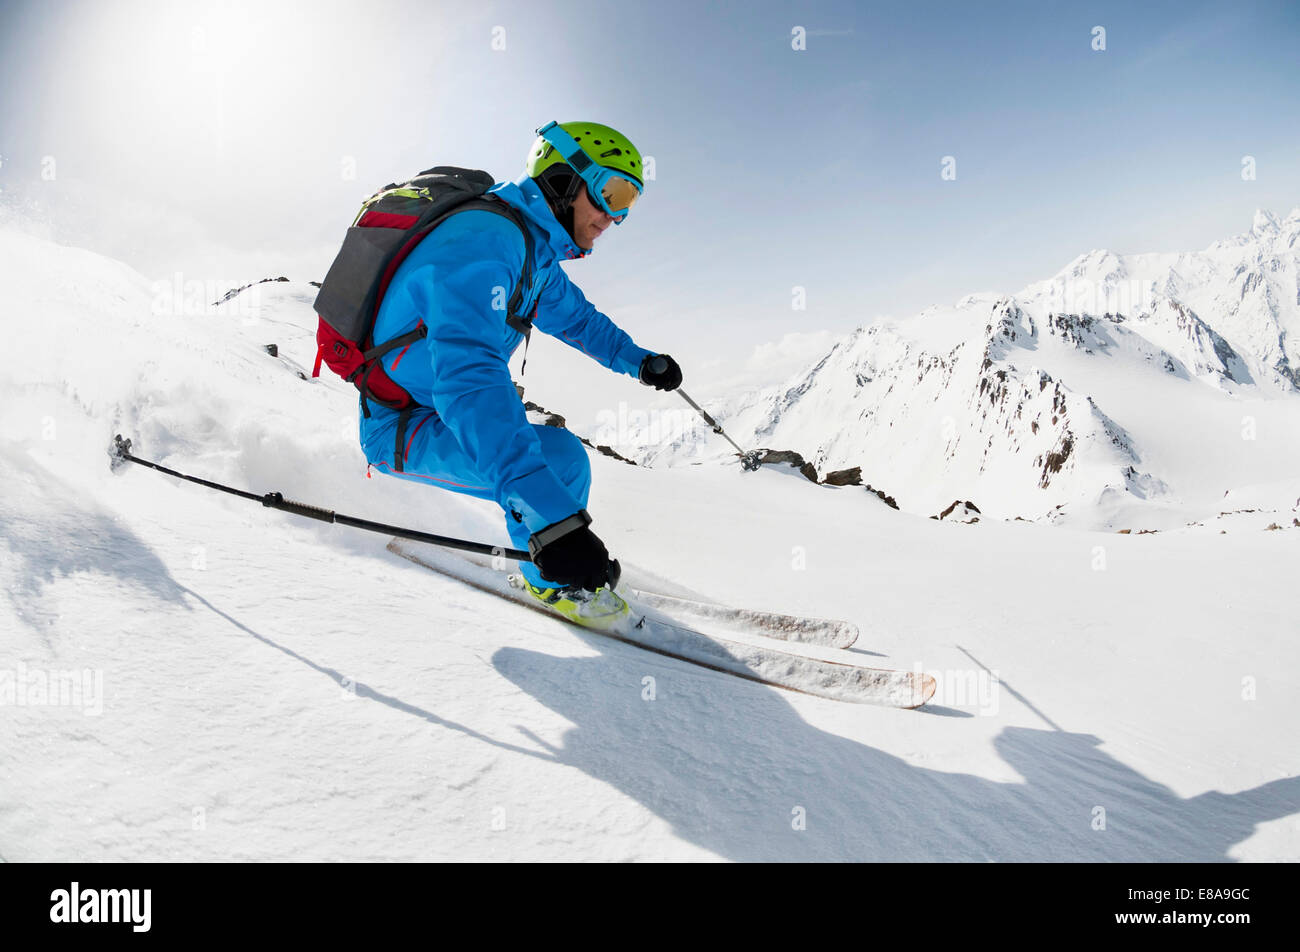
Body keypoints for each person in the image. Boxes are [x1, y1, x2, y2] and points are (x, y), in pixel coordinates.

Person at [358, 121, 682, 626]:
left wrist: (640, 361)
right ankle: (552, 579)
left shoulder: (532, 254)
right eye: (612, 193)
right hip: (403, 424)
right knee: (548, 472)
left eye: (630, 205)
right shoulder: (484, 242)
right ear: (561, 179)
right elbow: (469, 376)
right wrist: (556, 525)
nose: (615, 218)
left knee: (564, 458)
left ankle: (543, 569)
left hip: (442, 411)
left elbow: (580, 322)